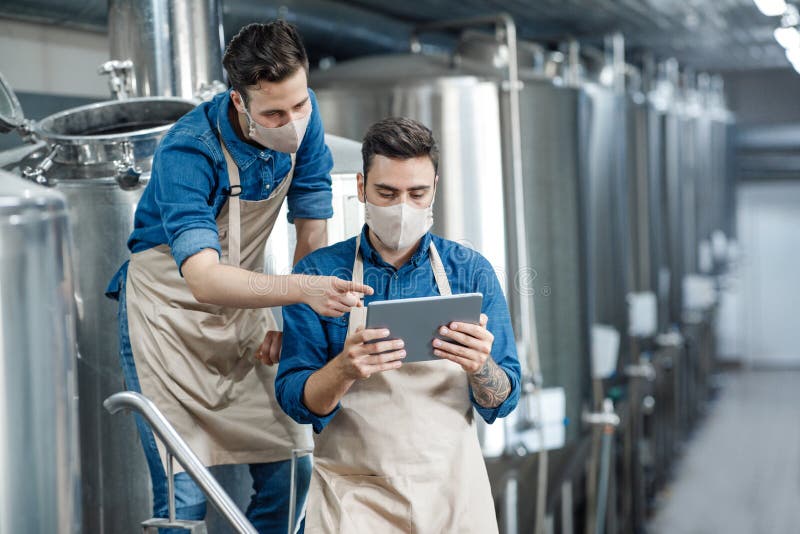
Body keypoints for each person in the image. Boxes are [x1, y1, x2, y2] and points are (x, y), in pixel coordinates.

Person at [105, 21, 371, 532]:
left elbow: (310, 235)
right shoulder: (189, 150)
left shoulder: (304, 120)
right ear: (239, 101)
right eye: (273, 112)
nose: (292, 121)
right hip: (167, 320)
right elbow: (204, 280)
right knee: (184, 498)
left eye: (299, 105)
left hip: (245, 301)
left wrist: (293, 320)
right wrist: (302, 292)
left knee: (291, 464)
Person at [276, 117, 521, 533]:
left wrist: (482, 366)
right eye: (387, 193)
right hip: (353, 500)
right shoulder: (318, 274)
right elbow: (297, 402)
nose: (402, 208)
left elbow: (502, 401)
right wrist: (344, 368)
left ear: (435, 190)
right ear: (360, 187)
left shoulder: (470, 273)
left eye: (417, 193)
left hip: (451, 498)